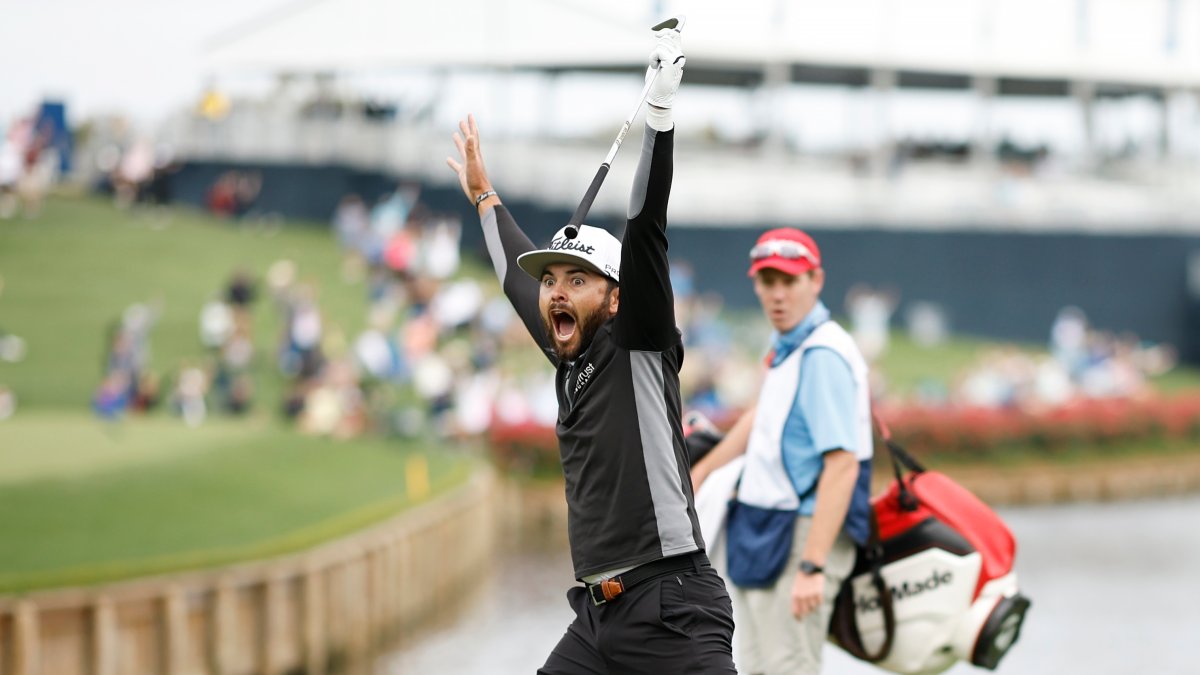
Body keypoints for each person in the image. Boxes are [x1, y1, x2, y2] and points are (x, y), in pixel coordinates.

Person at [445, 28, 736, 675]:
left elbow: (647, 224)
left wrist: (659, 117)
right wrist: (485, 197)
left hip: (672, 608)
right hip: (597, 619)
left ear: (615, 298)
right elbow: (512, 275)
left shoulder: (640, 340)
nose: (555, 291)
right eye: (552, 280)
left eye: (577, 279)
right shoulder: (570, 360)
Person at [690, 228, 874, 675]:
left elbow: (842, 465)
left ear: (816, 280)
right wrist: (699, 476)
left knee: (789, 667)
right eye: (767, 282)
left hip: (802, 532)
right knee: (754, 667)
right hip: (764, 526)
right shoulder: (786, 345)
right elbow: (760, 418)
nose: (777, 295)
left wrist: (812, 565)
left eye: (789, 282)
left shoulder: (823, 355)